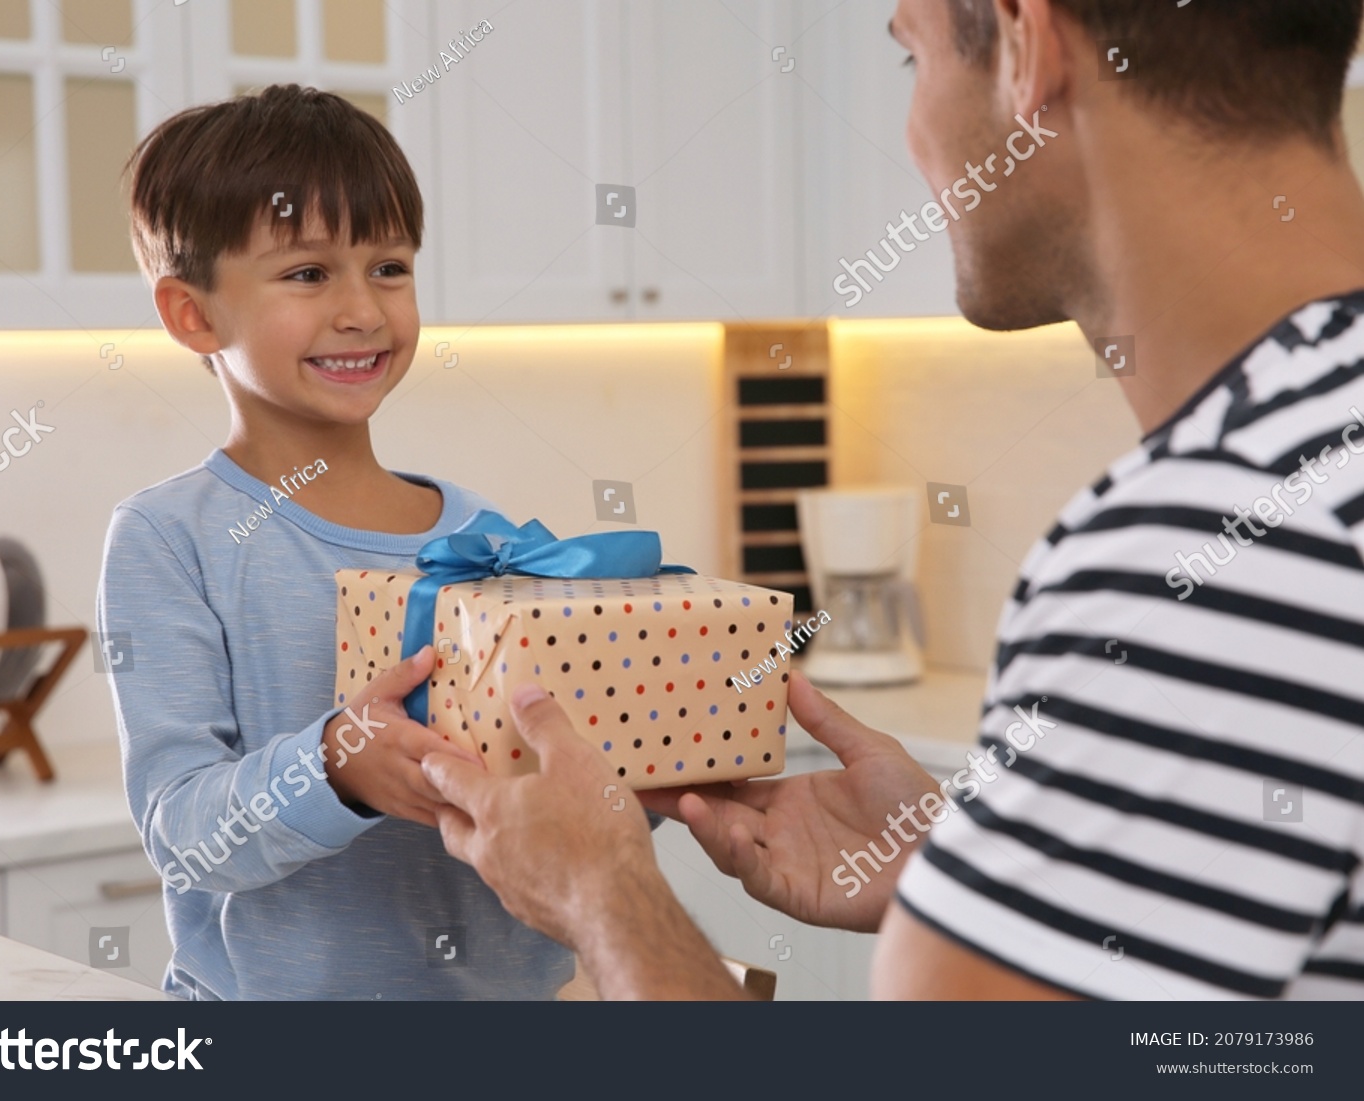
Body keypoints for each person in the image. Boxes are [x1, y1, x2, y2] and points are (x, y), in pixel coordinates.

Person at [420, 0, 1364, 999]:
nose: (911, 137)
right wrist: (965, 870)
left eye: (910, 58)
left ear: (1027, 45)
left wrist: (606, 898)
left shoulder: (1198, 543)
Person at [97, 85, 572, 999]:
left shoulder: (491, 539)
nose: (363, 309)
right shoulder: (169, 540)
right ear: (193, 313)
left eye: (389, 266)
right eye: (308, 274)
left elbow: (548, 804)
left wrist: (645, 770)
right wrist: (332, 767)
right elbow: (185, 830)